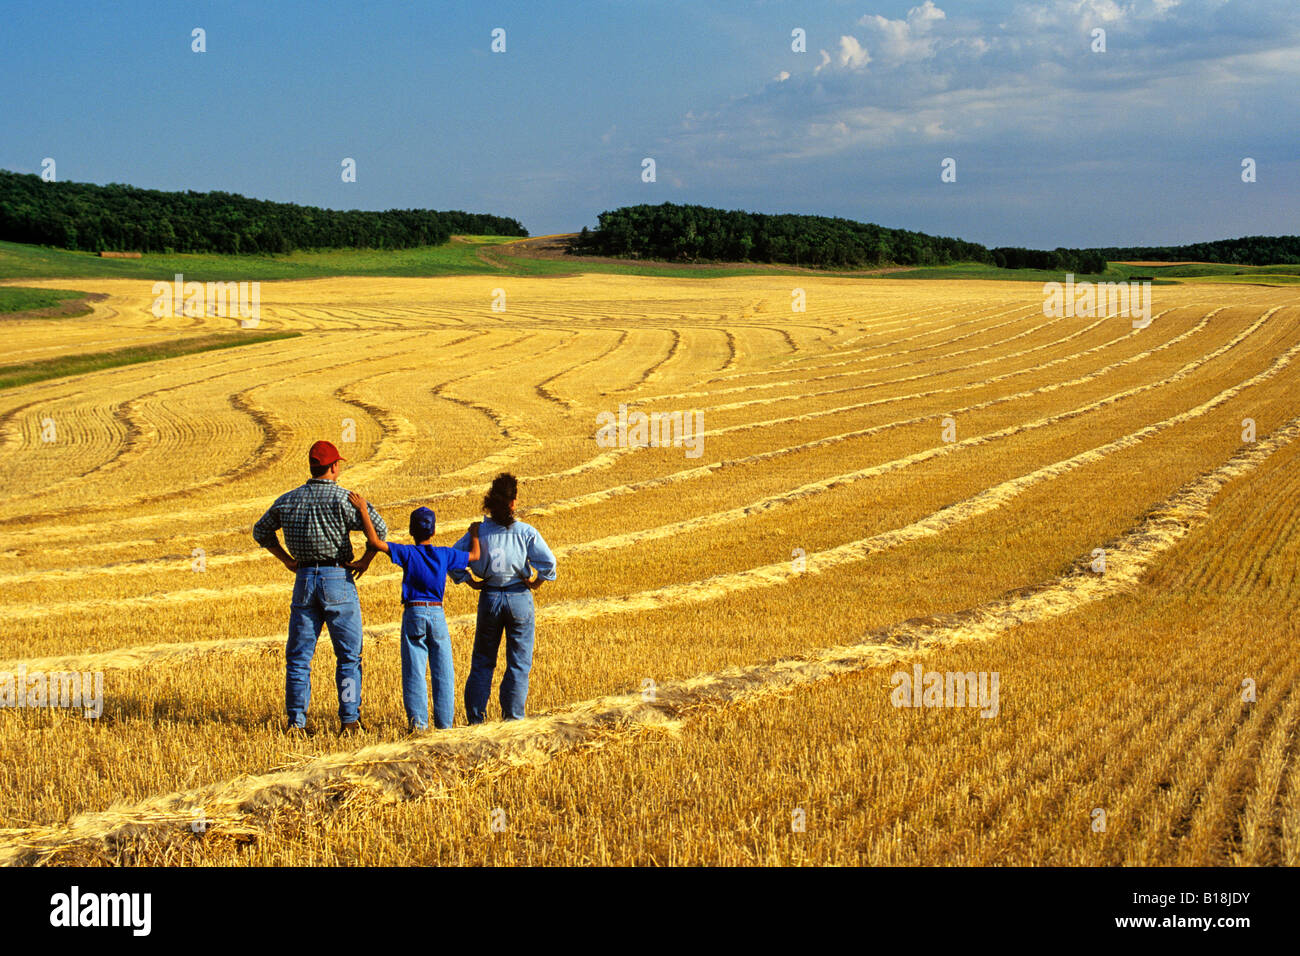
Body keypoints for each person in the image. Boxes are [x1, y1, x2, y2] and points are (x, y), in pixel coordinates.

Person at [252, 440, 387, 734]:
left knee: (299, 658)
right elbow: (380, 530)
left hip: (304, 581)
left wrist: (287, 560)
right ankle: (350, 719)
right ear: (334, 466)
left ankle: (296, 722)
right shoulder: (344, 499)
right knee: (349, 656)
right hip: (338, 578)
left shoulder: (288, 500)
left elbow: (260, 531)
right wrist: (365, 559)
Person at [348, 491, 482, 732]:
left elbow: (376, 543)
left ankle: (419, 725)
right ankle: (445, 725)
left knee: (414, 671)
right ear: (434, 531)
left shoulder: (408, 553)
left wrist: (364, 512)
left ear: (411, 531)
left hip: (414, 612)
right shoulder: (444, 554)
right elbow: (475, 556)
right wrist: (474, 534)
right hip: (437, 613)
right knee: (443, 671)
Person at [449, 473, 557, 723]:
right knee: (518, 663)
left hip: (489, 597)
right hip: (519, 597)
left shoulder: (479, 531)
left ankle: (476, 719)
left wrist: (469, 580)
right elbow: (549, 563)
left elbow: (453, 559)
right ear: (513, 502)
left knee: (483, 662)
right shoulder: (525, 532)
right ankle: (513, 719)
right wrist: (536, 582)